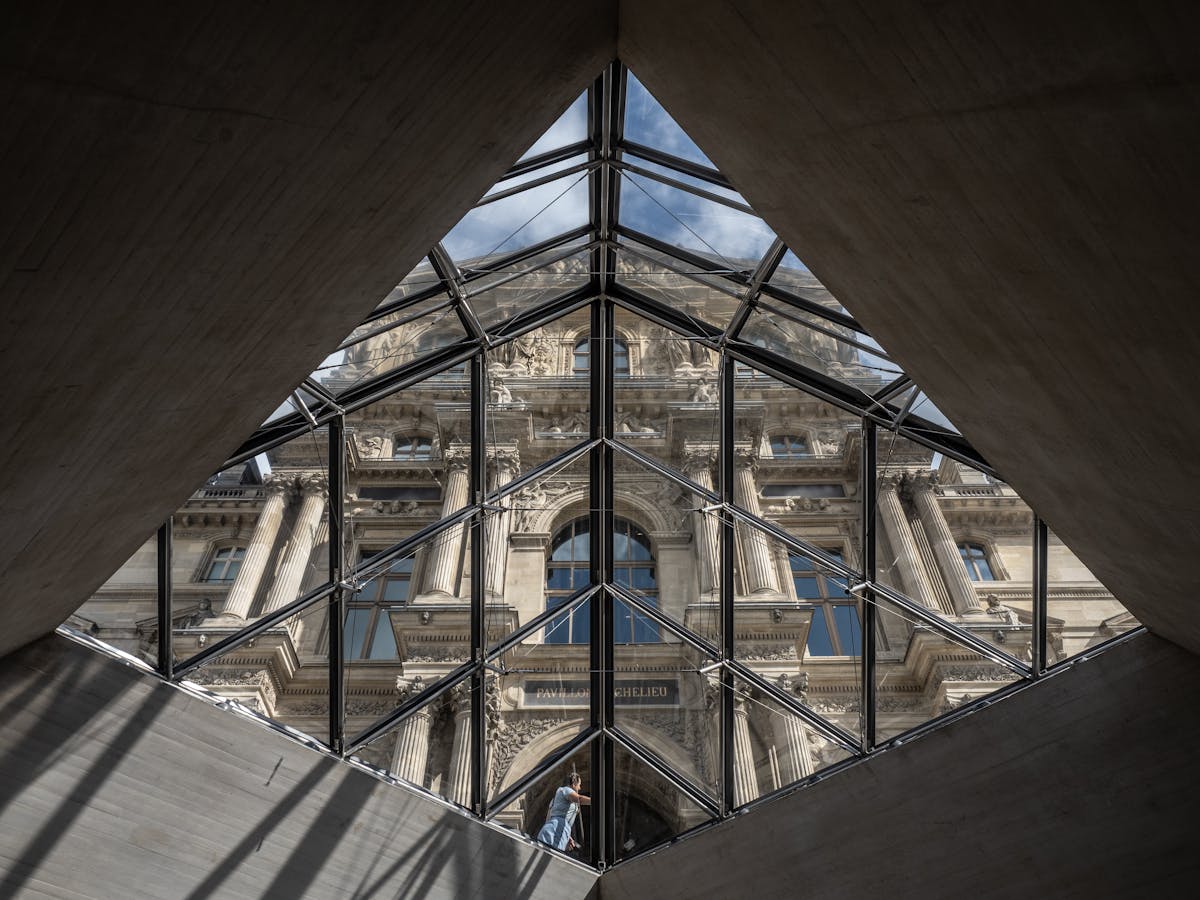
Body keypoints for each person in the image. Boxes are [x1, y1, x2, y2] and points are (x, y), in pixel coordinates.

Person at [536, 772, 590, 852]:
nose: (580, 788)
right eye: (579, 785)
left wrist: (568, 837)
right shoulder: (565, 790)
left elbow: (548, 819)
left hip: (556, 830)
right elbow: (579, 799)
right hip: (554, 831)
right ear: (574, 783)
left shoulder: (555, 800)